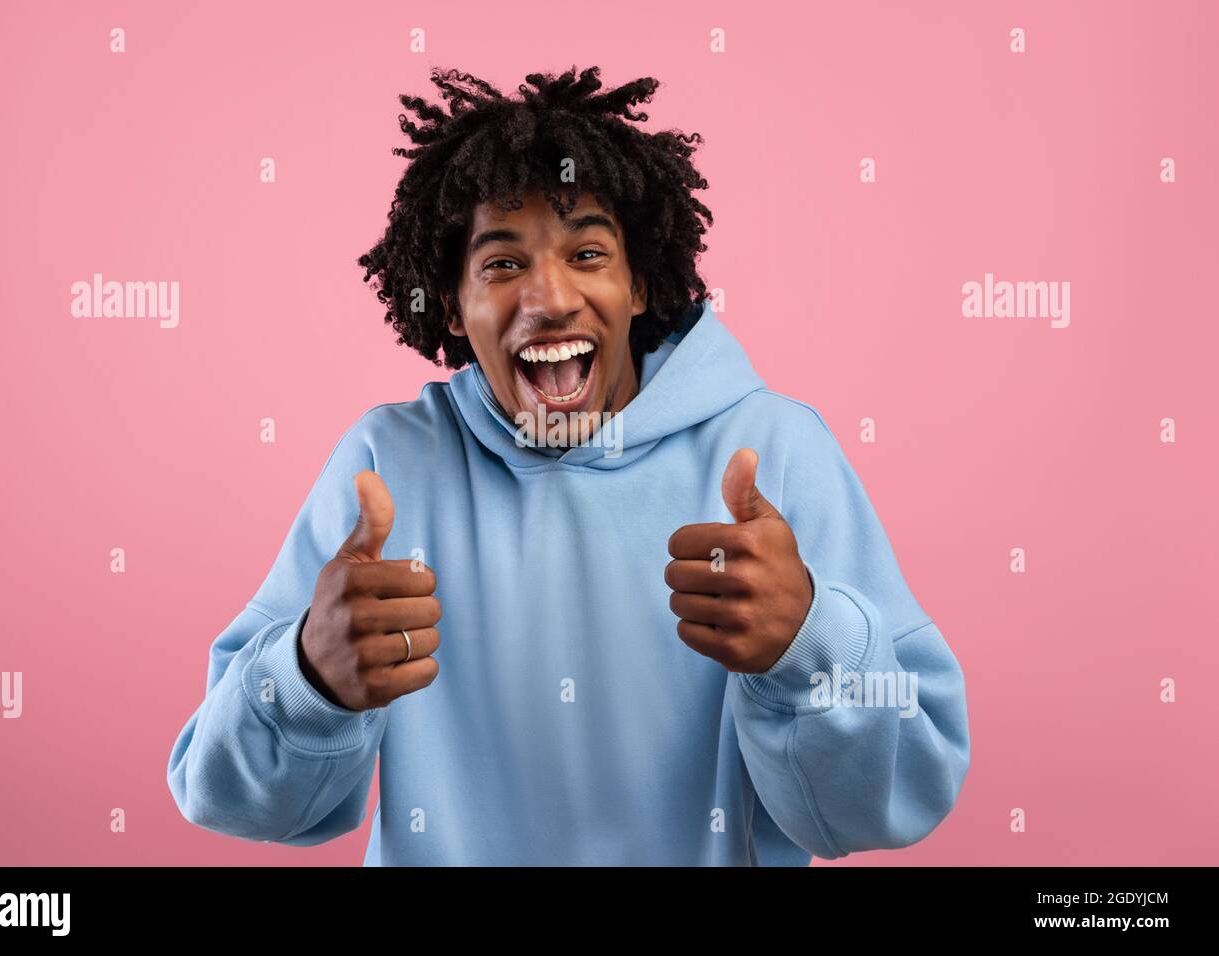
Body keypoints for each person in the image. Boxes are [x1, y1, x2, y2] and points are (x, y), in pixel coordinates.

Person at [167, 65, 970, 865]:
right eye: (503, 264)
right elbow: (225, 795)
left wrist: (809, 644)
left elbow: (892, 800)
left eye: (588, 252)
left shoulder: (775, 450)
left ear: (641, 284)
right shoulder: (388, 463)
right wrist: (308, 676)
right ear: (450, 304)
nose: (549, 298)